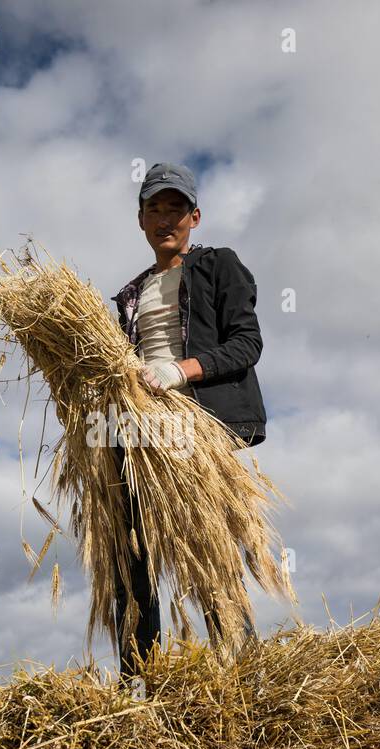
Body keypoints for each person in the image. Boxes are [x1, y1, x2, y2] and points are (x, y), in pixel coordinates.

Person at [108, 161, 268, 681]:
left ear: (194, 216)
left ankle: (238, 676)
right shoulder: (129, 295)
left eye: (175, 208)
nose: (165, 218)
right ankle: (141, 685)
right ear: (140, 220)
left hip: (198, 423)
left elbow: (247, 343)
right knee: (131, 557)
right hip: (140, 432)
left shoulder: (217, 265)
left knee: (209, 550)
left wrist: (180, 370)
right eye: (154, 208)